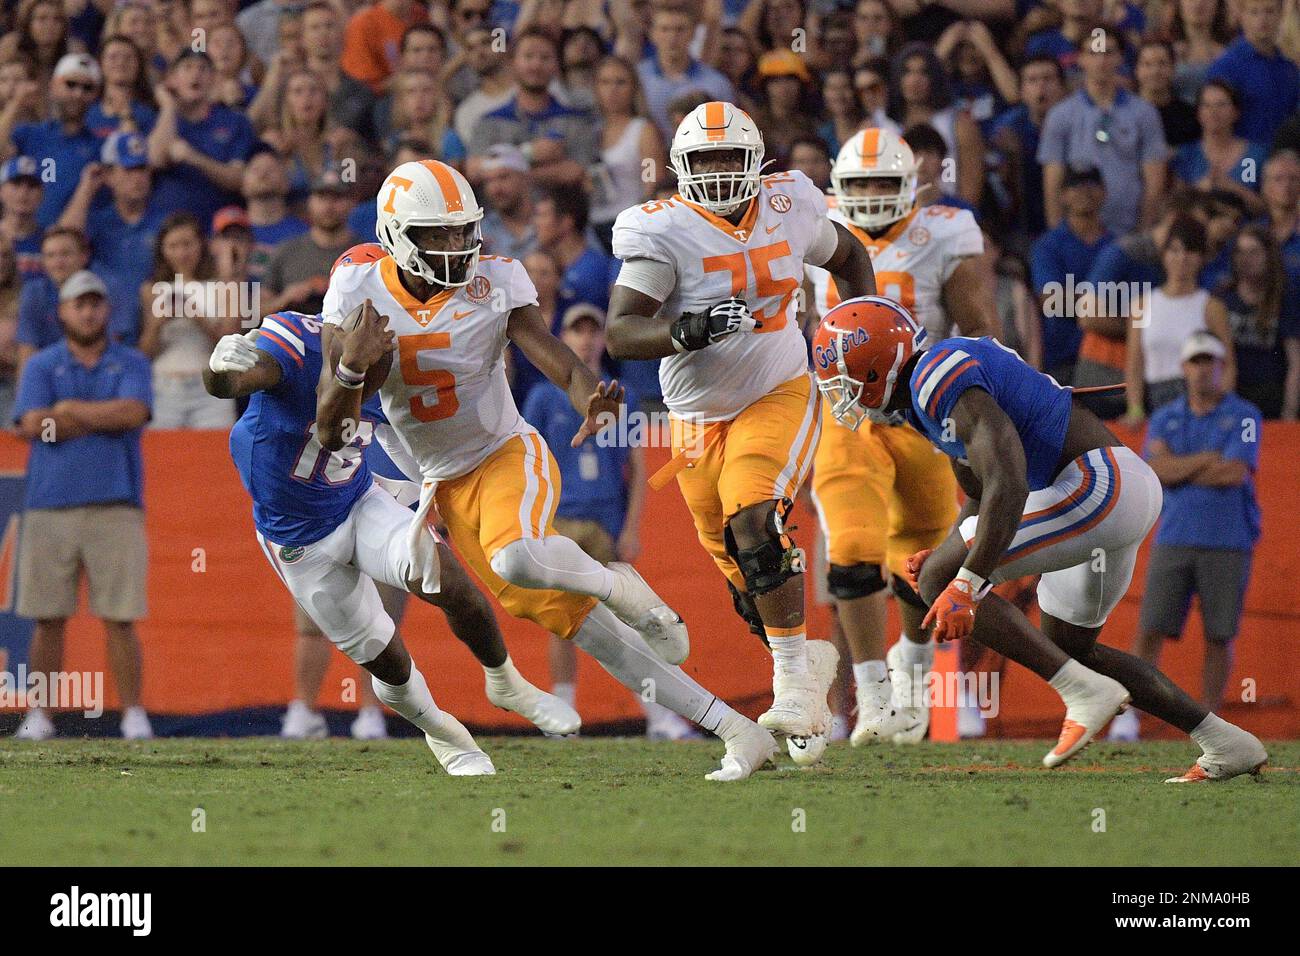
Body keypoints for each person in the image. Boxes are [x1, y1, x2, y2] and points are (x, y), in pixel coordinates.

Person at [318, 159, 777, 782]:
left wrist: (589, 394)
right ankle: (735, 729)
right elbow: (332, 426)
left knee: (517, 558)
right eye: (439, 235)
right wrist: (353, 367)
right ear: (397, 235)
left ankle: (620, 585)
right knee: (583, 630)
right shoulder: (356, 285)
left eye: (463, 231)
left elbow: (556, 359)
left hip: (506, 453)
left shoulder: (498, 280)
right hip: (442, 483)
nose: (457, 247)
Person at [812, 295, 1268, 782]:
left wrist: (962, 578)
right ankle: (1225, 741)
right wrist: (954, 547)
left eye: (846, 382)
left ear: (877, 370)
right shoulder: (930, 386)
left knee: (938, 578)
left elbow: (1008, 479)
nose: (845, 397)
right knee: (1070, 642)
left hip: (1096, 485)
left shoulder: (934, 381)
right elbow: (984, 488)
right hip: (1110, 489)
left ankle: (1081, 692)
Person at [607, 101, 878, 762]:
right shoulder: (662, 229)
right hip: (696, 419)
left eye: (732, 157)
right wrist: (687, 329)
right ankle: (808, 670)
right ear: (681, 168)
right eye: (707, 159)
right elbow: (620, 330)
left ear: (757, 162)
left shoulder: (792, 204)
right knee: (746, 578)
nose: (722, 171)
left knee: (755, 519)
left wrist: (861, 339)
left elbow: (850, 255)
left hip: (779, 388)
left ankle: (788, 684)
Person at [203, 307, 579, 766]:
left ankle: (504, 680)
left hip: (359, 500)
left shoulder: (392, 360)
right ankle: (444, 734)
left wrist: (428, 490)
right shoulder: (294, 341)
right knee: (389, 664)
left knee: (451, 583)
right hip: (299, 542)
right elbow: (235, 382)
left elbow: (399, 435)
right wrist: (218, 369)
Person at [805, 127, 991, 747]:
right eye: (861, 184)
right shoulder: (812, 227)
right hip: (846, 410)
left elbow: (979, 328)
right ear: (837, 187)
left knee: (924, 552)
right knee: (852, 543)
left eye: (887, 181)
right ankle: (869, 696)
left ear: (912, 183)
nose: (875, 194)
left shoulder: (944, 231)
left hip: (922, 408)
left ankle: (912, 674)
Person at [522, 304, 694, 740]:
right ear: (562, 338)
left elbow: (636, 467)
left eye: (591, 331)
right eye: (576, 331)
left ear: (601, 339)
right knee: (563, 619)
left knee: (629, 620)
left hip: (606, 521)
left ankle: (656, 714)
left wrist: (632, 528)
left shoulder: (623, 397)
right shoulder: (544, 397)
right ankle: (564, 712)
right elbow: (530, 463)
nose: (585, 340)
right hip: (560, 519)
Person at [10, 270, 153, 741]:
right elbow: (33, 426)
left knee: (120, 615)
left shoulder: (130, 361)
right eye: (79, 304)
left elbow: (133, 414)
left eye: (95, 303)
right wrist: (91, 418)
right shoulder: (40, 365)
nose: (88, 311)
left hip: (116, 503)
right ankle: (41, 714)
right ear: (62, 312)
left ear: (106, 309)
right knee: (46, 615)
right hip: (50, 504)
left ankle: (132, 714)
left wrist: (69, 411)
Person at [1109, 331, 1263, 742]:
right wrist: (1208, 459)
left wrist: (1178, 465)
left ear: (1222, 366)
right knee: (1150, 627)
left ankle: (1209, 724)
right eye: (1194, 362)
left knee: (1219, 633)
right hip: (1174, 535)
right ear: (1183, 368)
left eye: (1208, 361)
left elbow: (1234, 473)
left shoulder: (1246, 417)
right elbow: (1154, 470)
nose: (1201, 369)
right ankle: (1130, 716)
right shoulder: (1164, 416)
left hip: (1229, 539)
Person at [1039, 27, 1167, 237]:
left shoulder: (1144, 113)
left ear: (1120, 58)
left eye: (1108, 53)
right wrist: (1059, 235)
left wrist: (1143, 232)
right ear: (1080, 59)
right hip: (1077, 233)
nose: (1101, 62)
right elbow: (1053, 184)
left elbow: (1154, 182)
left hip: (1128, 234)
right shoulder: (1060, 115)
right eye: (1094, 53)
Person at [57, 130, 164, 349]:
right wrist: (86, 188)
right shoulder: (97, 220)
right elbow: (62, 242)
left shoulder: (165, 222)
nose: (137, 178)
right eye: (128, 170)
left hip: (156, 326)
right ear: (109, 175)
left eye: (142, 170)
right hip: (106, 327)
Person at [1125, 216, 1234, 421]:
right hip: (1155, 399)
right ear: (1164, 255)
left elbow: (1227, 364)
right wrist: (1135, 408)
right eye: (1175, 250)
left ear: (1202, 257)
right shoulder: (1141, 305)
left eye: (1190, 251)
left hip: (1201, 400)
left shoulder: (1212, 307)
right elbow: (1135, 363)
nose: (1182, 258)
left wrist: (1221, 410)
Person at [137, 212, 240, 428]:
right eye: (172, 246)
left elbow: (232, 349)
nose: (181, 253)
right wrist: (157, 324)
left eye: (187, 244)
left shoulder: (224, 287)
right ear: (162, 250)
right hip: (164, 386)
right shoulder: (151, 290)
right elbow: (144, 353)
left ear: (201, 245)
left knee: (212, 455)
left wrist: (198, 318)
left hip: (211, 387)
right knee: (163, 456)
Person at [467, 28, 599, 188]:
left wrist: (510, 171)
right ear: (512, 62)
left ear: (557, 65)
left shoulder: (575, 121)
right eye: (528, 56)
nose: (536, 65)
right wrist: (528, 154)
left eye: (545, 58)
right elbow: (473, 170)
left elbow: (577, 171)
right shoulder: (490, 121)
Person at [146, 50, 257, 230]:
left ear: (213, 79)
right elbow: (155, 159)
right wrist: (168, 107)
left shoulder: (235, 121)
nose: (196, 74)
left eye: (203, 69)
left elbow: (239, 179)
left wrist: (194, 158)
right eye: (187, 68)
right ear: (171, 80)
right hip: (169, 230)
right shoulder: (159, 121)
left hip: (221, 228)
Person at [1030, 165, 1114, 384]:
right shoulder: (1048, 246)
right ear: (1063, 196)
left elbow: (1135, 303)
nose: (1084, 191)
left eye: (1092, 184)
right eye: (1075, 186)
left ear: (1105, 192)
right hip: (1063, 358)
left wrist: (1075, 299)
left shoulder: (1117, 245)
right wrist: (1105, 306)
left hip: (1109, 358)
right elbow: (1051, 300)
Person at [1, 53, 104, 230]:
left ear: (95, 94)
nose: (78, 93)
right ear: (54, 85)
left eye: (87, 88)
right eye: (70, 84)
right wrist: (16, 103)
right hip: (26, 235)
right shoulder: (29, 133)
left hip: (72, 243)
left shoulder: (100, 147)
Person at [1216, 224, 1300, 419]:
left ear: (1269, 256)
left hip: (1271, 396)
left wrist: (1289, 412)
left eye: (1254, 252)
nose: (1246, 260)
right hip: (1231, 396)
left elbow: (1295, 362)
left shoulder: (1285, 298)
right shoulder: (1222, 297)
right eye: (1240, 252)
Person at [989, 55, 1066, 246]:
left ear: (1063, 87)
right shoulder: (1007, 127)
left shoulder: (1075, 122)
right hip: (1019, 228)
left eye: (1048, 79)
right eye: (1032, 80)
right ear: (1022, 90)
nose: (1041, 87)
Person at [263, 170, 358, 316]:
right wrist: (287, 297)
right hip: (294, 334)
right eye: (321, 197)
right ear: (309, 202)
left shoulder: (365, 254)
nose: (329, 205)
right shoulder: (286, 251)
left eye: (337, 197)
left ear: (352, 203)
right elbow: (255, 313)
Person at [1205, 0, 1299, 145]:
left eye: (1269, 11)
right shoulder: (1226, 66)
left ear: (1280, 15)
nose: (1262, 19)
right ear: (1242, 16)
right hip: (1244, 160)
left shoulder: (1288, 68)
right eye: (1254, 12)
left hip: (1283, 159)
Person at [636, 2, 735, 137]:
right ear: (652, 34)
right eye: (665, 29)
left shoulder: (716, 84)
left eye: (680, 29)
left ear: (693, 33)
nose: (672, 37)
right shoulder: (637, 78)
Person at [1170, 80, 1268, 216]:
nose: (1214, 112)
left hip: (1244, 232)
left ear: (1235, 112)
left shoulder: (1252, 157)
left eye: (1221, 105)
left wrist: (1233, 188)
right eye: (1207, 105)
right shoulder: (1187, 155)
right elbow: (1176, 209)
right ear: (1198, 113)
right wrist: (1200, 191)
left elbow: (1265, 208)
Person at [15, 226, 93, 369]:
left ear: (84, 257)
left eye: (65, 254)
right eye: (50, 256)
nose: (58, 262)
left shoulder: (103, 289)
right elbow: (27, 353)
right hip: (49, 376)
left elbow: (112, 351)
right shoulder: (33, 292)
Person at [0, 155, 45, 281]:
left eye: (32, 186)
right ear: (1, 190)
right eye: (16, 184)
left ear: (42, 194)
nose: (23, 192)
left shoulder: (50, 242)